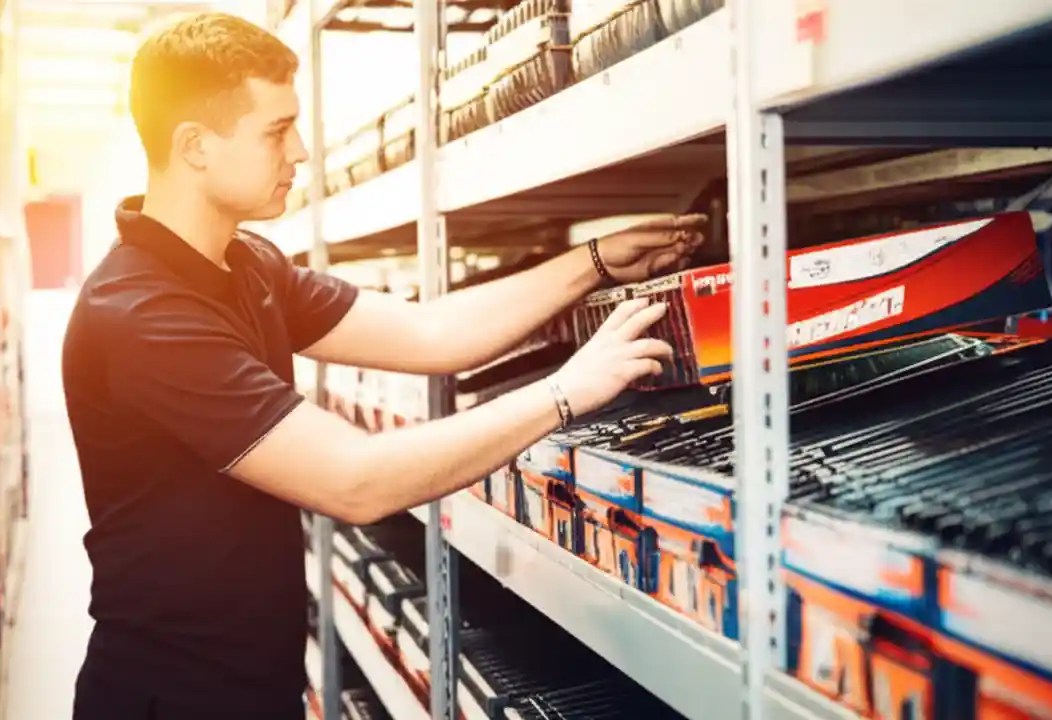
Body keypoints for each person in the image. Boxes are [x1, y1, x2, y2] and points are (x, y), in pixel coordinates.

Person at [61, 12, 704, 720]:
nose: (300, 151)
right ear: (194, 148)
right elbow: (354, 481)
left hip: (255, 683)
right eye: (276, 130)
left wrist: (592, 263)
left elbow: (428, 332)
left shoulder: (248, 265)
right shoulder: (143, 314)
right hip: (170, 700)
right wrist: (563, 394)